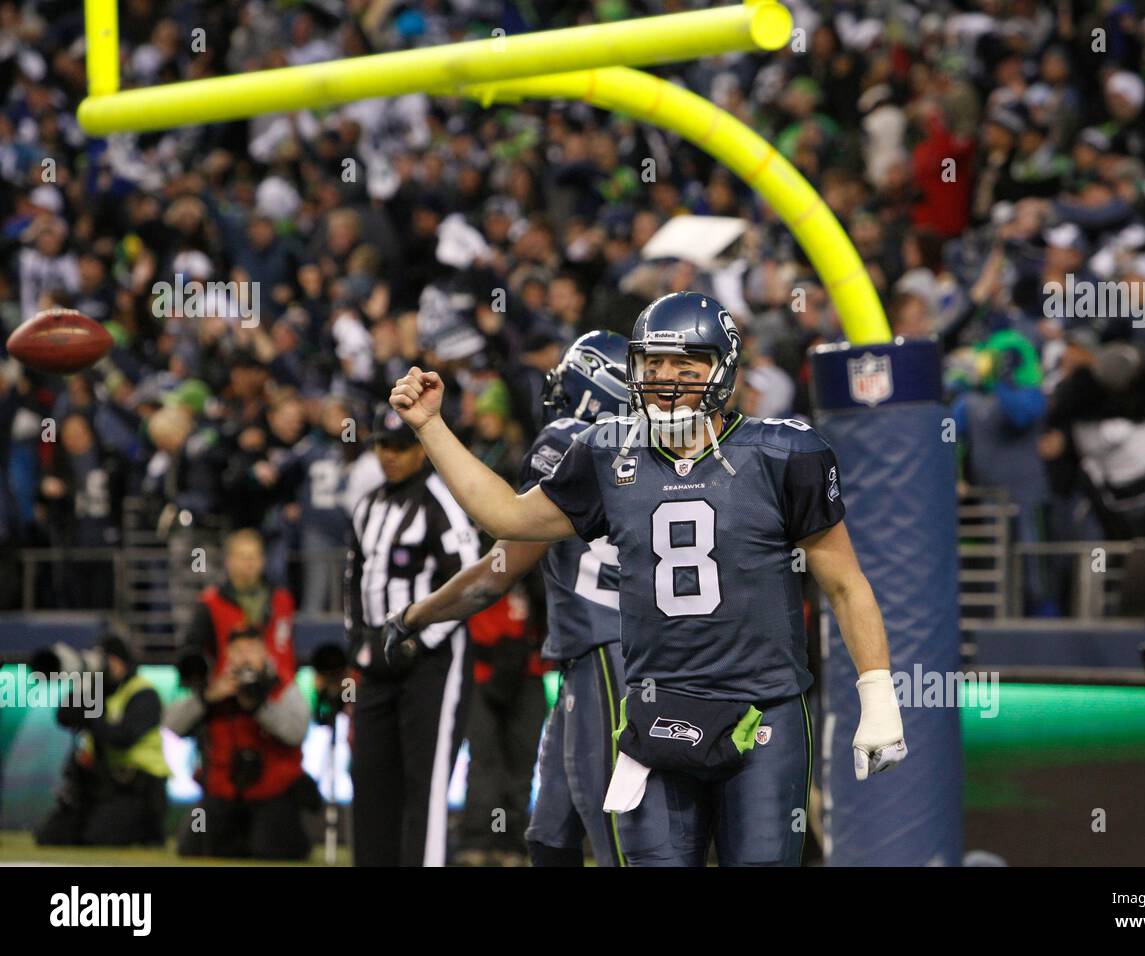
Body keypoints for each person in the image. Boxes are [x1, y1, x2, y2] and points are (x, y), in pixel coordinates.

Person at [389, 292, 906, 867]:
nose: (666, 380)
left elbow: (846, 585)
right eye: (653, 364)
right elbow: (506, 518)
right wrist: (431, 427)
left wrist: (877, 693)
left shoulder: (784, 453)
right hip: (656, 712)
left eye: (686, 365)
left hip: (762, 711)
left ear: (722, 369)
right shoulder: (606, 452)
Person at [384, 331, 629, 866]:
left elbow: (499, 571)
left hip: (605, 657)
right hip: (611, 653)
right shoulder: (646, 453)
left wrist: (416, 614)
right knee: (552, 831)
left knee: (614, 831)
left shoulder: (568, 439)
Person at [345, 407, 481, 866]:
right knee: (369, 778)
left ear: (421, 450)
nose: (389, 456)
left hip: (432, 661)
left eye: (400, 446)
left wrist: (419, 641)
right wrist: (359, 643)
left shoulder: (441, 501)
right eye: (383, 446)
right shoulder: (368, 506)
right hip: (377, 660)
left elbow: (469, 581)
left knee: (426, 782)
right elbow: (355, 577)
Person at [166, 625, 313, 860]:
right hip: (222, 794)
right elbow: (172, 725)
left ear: (264, 653)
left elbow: (296, 732)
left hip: (270, 793)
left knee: (269, 850)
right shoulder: (215, 685)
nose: (243, 658)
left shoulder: (282, 685)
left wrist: (258, 707)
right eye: (237, 651)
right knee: (192, 846)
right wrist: (205, 699)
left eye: (250, 650)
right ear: (228, 655)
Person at [34, 633, 168, 847]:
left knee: (98, 837)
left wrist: (93, 716)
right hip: (100, 785)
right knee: (52, 836)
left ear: (122, 663)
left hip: (138, 787)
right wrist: (84, 685)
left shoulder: (144, 693)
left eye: (108, 660)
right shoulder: (97, 690)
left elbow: (123, 737)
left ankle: (148, 830)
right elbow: (64, 717)